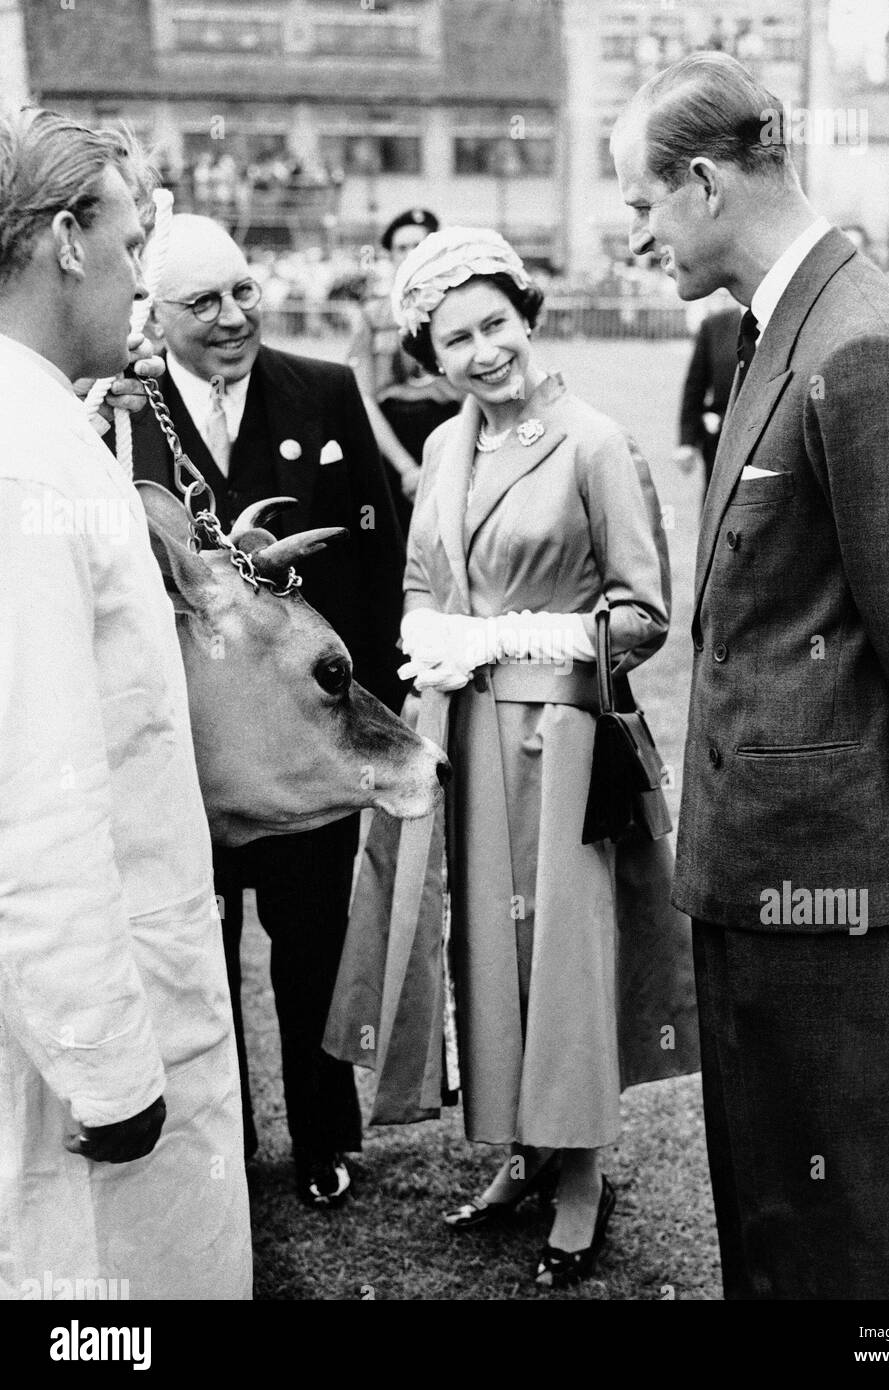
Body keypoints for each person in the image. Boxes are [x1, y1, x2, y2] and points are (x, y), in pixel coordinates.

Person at [612, 52, 889, 1300]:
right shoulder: (779, 324)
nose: (635, 235)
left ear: (701, 180)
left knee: (825, 1242)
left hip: (827, 874)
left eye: (640, 205)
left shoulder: (864, 342)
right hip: (759, 860)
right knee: (767, 1209)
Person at [323, 227, 699, 1289]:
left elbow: (642, 616)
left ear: (526, 316)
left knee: (563, 961)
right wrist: (426, 639)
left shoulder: (592, 441)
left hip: (563, 735)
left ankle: (580, 1173)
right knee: (484, 951)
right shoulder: (443, 449)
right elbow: (416, 580)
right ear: (427, 357)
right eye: (457, 339)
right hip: (459, 735)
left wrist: (507, 637)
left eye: (495, 324)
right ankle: (524, 1155)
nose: (484, 351)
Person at [0, 108, 250, 1298]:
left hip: (136, 987)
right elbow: (33, 801)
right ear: (65, 239)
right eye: (133, 243)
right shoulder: (21, 461)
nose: (143, 285)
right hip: (96, 1054)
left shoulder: (51, 423)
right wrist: (109, 1072)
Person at [123, 213, 405, 1207]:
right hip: (188, 750)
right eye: (202, 301)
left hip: (301, 745)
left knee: (311, 939)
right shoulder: (122, 410)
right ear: (150, 313)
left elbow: (376, 568)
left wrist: (364, 725)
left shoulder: (324, 389)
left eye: (243, 289)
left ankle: (327, 1134)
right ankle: (224, 1143)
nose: (234, 315)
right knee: (201, 949)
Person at [345, 208, 461, 530]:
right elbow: (364, 399)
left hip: (452, 432)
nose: (411, 254)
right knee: (389, 539)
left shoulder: (458, 309)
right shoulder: (372, 316)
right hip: (391, 441)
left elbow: (474, 394)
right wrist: (407, 467)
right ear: (391, 256)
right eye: (402, 248)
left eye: (420, 245)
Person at [675, 288, 740, 508]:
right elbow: (695, 386)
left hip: (769, 434)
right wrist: (687, 441)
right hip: (720, 434)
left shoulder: (778, 324)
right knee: (716, 504)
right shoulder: (714, 326)